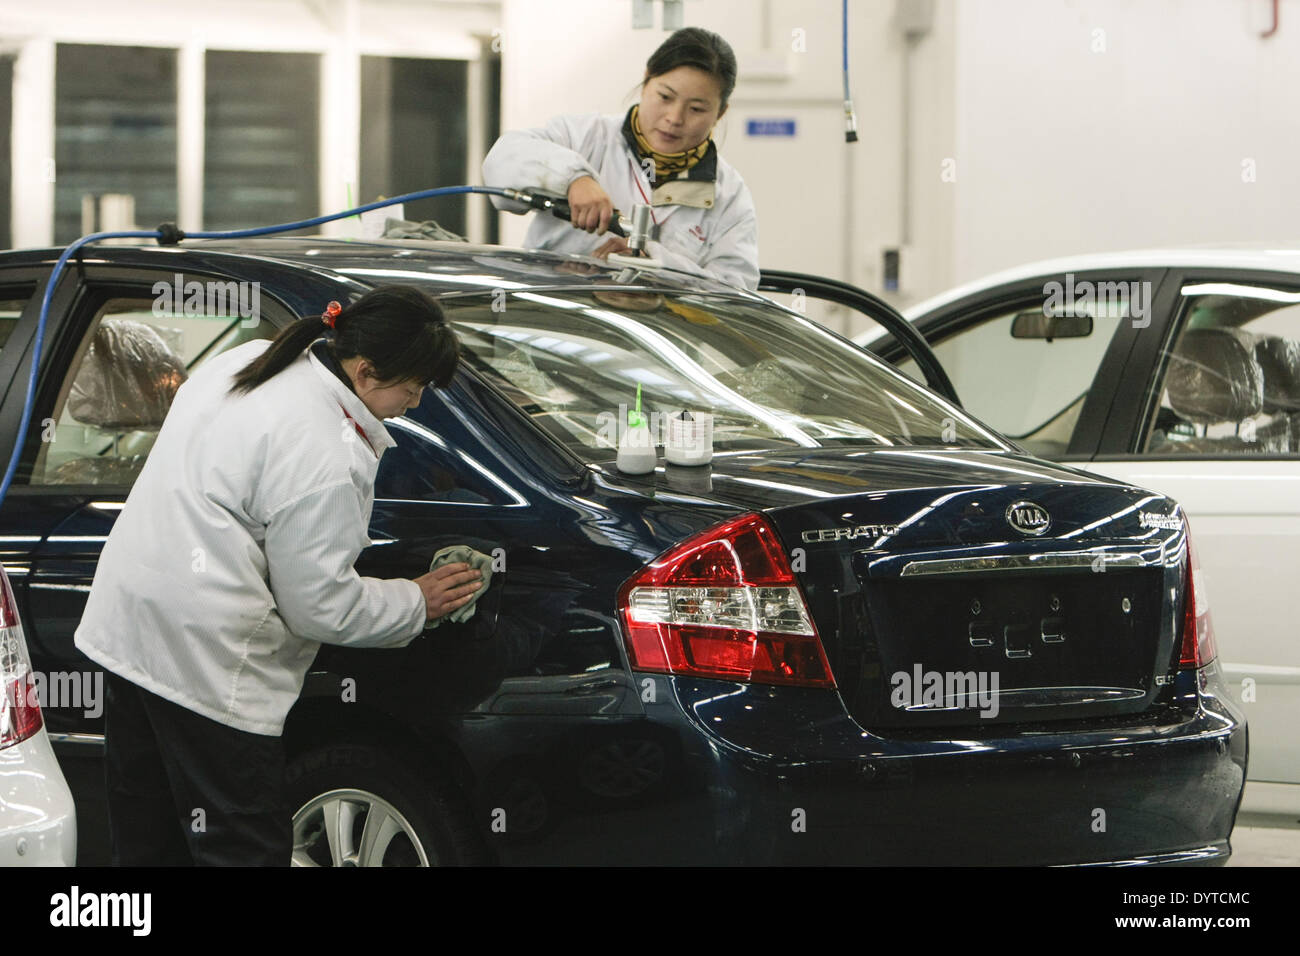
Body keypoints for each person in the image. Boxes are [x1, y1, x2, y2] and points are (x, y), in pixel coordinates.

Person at [74, 285, 485, 866]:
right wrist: (415, 602)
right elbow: (318, 606)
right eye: (412, 389)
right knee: (242, 847)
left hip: (130, 630)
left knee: (148, 836)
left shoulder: (246, 360)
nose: (414, 404)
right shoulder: (326, 454)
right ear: (365, 372)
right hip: (206, 660)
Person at [482, 27, 758, 290]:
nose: (674, 118)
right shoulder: (585, 138)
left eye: (696, 109)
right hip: (554, 322)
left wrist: (657, 264)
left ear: (720, 113)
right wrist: (574, 179)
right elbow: (502, 159)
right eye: (665, 96)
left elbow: (737, 289)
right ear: (646, 80)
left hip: (653, 335)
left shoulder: (729, 195)